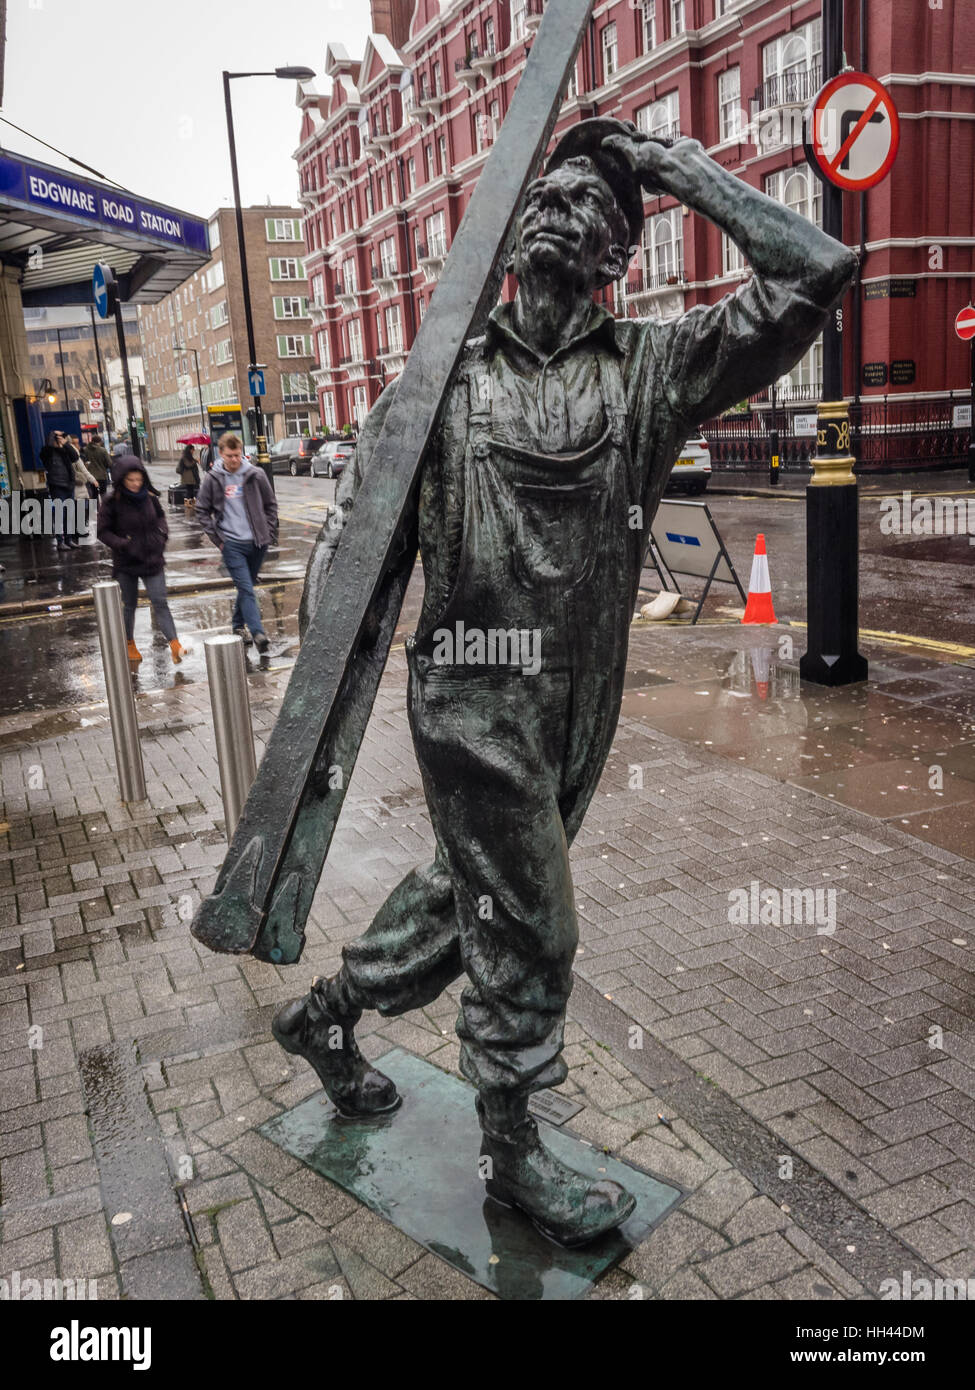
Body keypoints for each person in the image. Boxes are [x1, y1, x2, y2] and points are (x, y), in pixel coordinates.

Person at [272, 119, 857, 1247]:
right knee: (535, 925)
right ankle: (513, 1156)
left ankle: (325, 1016)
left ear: (615, 257)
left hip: (572, 713)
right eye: (546, 192)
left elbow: (816, 273)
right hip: (470, 701)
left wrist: (684, 171)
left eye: (590, 202)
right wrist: (318, 687)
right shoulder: (442, 379)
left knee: (465, 901)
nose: (556, 204)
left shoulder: (648, 369)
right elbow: (350, 552)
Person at [97, 455, 190, 665]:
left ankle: (175, 645)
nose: (136, 484)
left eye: (139, 479)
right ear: (121, 480)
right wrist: (123, 544)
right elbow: (102, 532)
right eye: (131, 480)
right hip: (127, 562)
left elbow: (160, 518)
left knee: (160, 602)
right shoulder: (111, 502)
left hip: (152, 558)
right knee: (129, 605)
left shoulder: (150, 497)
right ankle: (129, 643)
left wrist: (161, 535)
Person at [195, 432, 278, 653]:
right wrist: (218, 539)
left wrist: (268, 530)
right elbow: (202, 510)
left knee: (246, 586)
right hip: (231, 543)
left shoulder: (256, 475)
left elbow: (271, 505)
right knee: (246, 587)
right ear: (221, 454)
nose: (234, 460)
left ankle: (237, 624)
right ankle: (258, 632)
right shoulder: (213, 479)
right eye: (230, 455)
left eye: (237, 455)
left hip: (258, 542)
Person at [39, 429, 81, 550]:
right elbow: (44, 455)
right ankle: (60, 541)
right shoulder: (48, 451)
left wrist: (66, 443)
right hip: (57, 485)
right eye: (58, 436)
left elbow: (75, 457)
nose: (60, 437)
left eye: (62, 435)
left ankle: (69, 539)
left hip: (69, 485)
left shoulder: (65, 450)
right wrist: (53, 438)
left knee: (69, 514)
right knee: (59, 514)